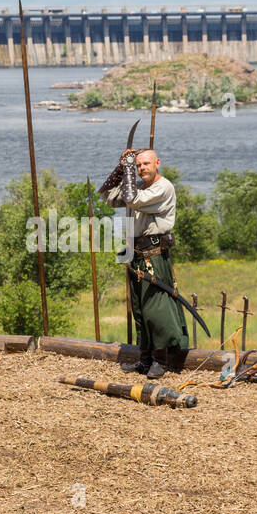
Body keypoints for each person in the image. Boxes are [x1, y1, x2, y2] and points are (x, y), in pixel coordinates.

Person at [100, 147, 189, 379]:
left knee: (156, 310)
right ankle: (145, 359)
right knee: (140, 310)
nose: (141, 169)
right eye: (138, 166)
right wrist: (121, 167)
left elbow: (132, 200)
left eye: (145, 164)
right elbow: (108, 196)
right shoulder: (137, 185)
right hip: (137, 254)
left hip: (155, 255)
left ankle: (161, 360)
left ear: (157, 163)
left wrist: (128, 167)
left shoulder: (163, 187)